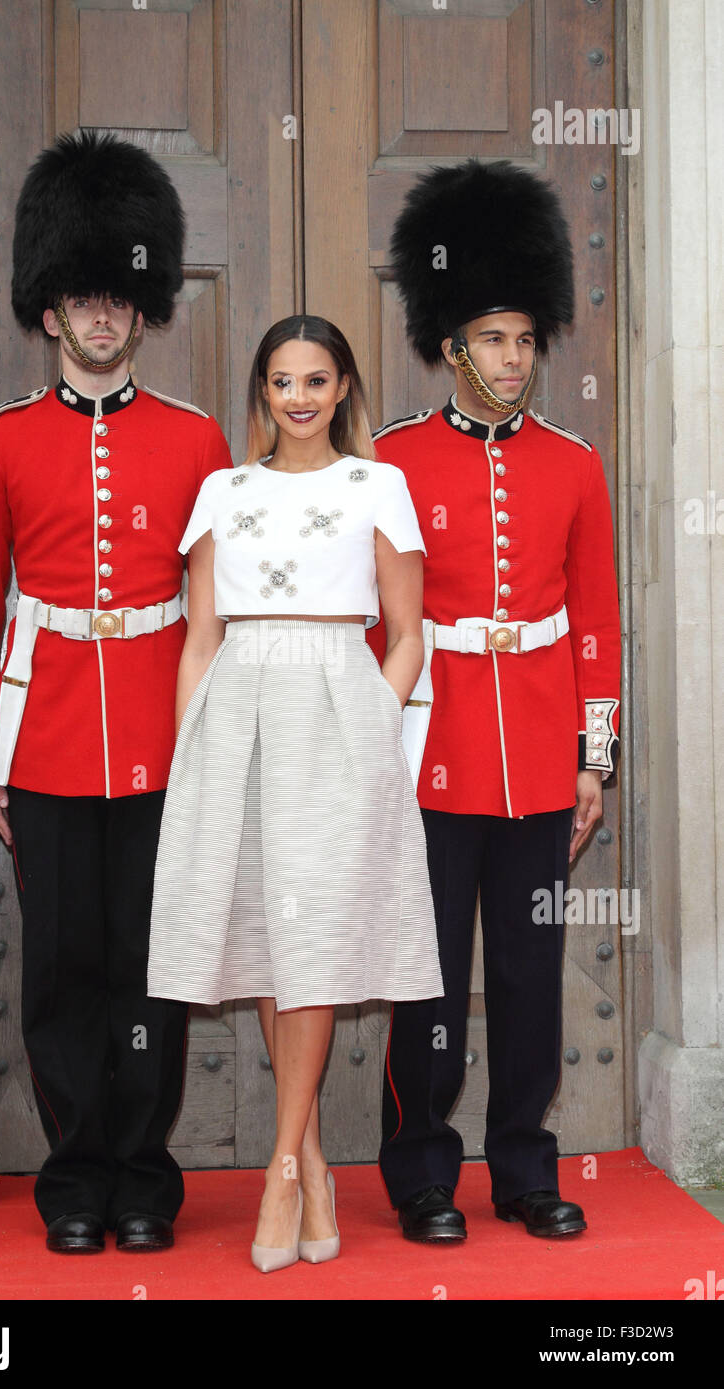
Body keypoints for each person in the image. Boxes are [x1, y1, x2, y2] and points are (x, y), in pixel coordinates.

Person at [0, 131, 232, 1254]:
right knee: (63, 965)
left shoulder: (196, 439)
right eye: (82, 300)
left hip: (166, 739)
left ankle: (144, 1172)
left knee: (151, 967)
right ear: (50, 312)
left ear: (144, 307)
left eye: (120, 297)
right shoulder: (0, 446)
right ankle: (73, 1175)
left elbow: (215, 608)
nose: (103, 319)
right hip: (47, 735)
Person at [147, 315, 443, 1271]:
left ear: (345, 386)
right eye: (282, 381)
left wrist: (367, 718)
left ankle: (278, 1166)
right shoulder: (221, 492)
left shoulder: (379, 486)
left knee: (311, 939)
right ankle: (312, 1161)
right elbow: (198, 638)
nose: (301, 396)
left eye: (318, 379)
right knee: (270, 944)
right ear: (262, 393)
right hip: (236, 716)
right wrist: (193, 752)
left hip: (336, 715)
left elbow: (408, 633)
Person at [370, 159, 621, 1242]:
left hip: (533, 751)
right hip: (427, 753)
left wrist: (591, 759)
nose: (512, 360)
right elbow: (372, 627)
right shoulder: (387, 463)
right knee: (424, 979)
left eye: (524, 339)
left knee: (527, 977)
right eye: (490, 339)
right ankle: (421, 1169)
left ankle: (522, 1165)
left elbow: (596, 623)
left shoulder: (573, 465)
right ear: (447, 346)